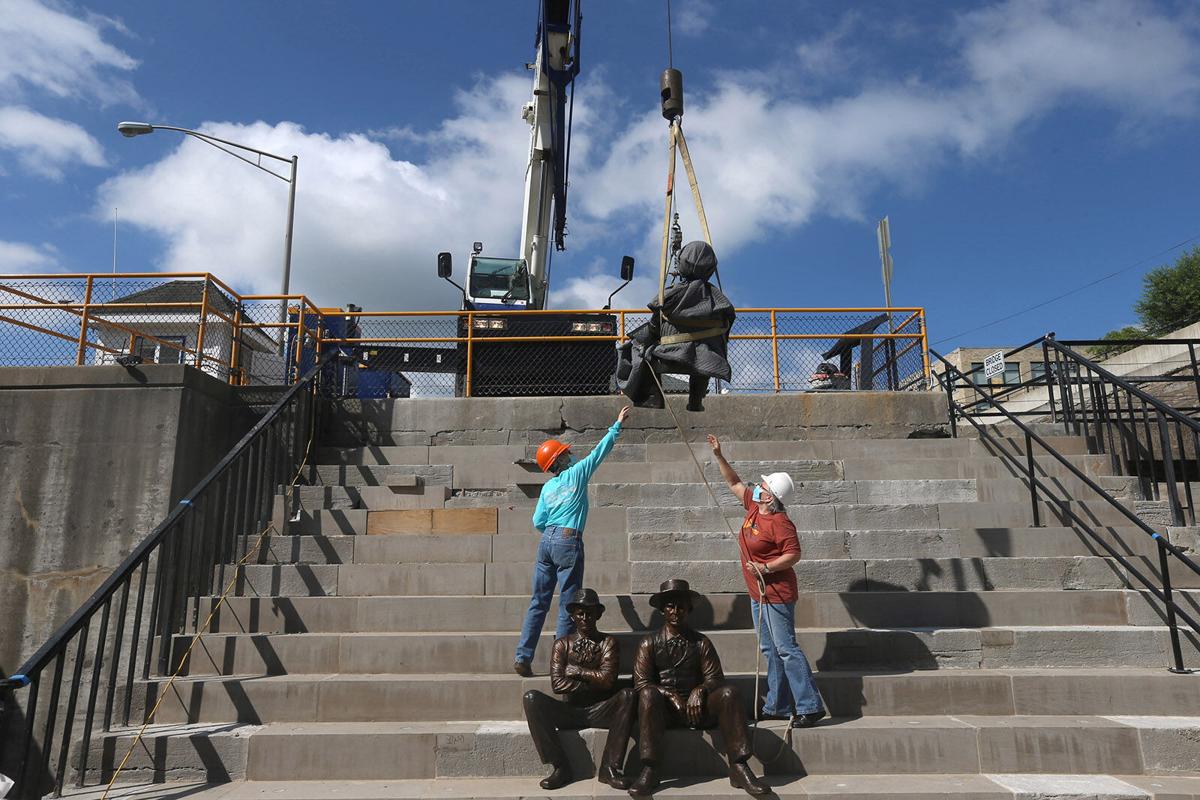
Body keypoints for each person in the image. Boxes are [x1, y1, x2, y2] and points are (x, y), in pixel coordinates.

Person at [706, 434, 826, 729]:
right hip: (757, 593)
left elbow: (794, 554)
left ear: (770, 496)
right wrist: (720, 456)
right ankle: (777, 703)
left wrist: (766, 567)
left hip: (776, 593)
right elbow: (734, 483)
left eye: (762, 486)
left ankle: (810, 706)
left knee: (786, 648)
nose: (757, 488)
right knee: (770, 649)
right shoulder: (753, 507)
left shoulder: (780, 522)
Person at [514, 405, 631, 676]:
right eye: (565, 453)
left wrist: (552, 530)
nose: (569, 454)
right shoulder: (577, 474)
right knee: (569, 603)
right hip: (568, 539)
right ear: (560, 459)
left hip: (547, 540)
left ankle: (523, 655)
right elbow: (599, 453)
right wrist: (617, 425)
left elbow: (537, 522)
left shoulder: (548, 487)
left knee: (538, 601)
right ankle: (561, 660)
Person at [629, 579, 769, 798]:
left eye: (681, 606)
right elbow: (641, 683)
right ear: (662, 610)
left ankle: (739, 766)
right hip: (664, 712)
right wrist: (669, 694)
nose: (676, 611)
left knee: (729, 693)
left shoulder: (701, 642)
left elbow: (715, 678)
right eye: (670, 606)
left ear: (689, 609)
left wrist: (701, 690)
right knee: (647, 694)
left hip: (698, 710)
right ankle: (650, 768)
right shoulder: (648, 643)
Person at [522, 588, 636, 790]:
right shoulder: (562, 645)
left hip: (602, 708)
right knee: (531, 698)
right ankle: (560, 766)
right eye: (580, 612)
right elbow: (558, 684)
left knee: (628, 694)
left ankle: (610, 768)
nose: (585, 617)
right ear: (572, 615)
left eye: (590, 612)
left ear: (598, 614)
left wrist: (579, 672)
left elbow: (609, 681)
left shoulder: (608, 643)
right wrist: (595, 678)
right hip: (570, 711)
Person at [616, 240, 735, 412]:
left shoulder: (670, 296)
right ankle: (696, 400)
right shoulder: (721, 302)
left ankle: (651, 397)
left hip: (669, 358)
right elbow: (725, 334)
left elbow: (653, 328)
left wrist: (641, 339)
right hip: (707, 362)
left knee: (639, 349)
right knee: (705, 354)